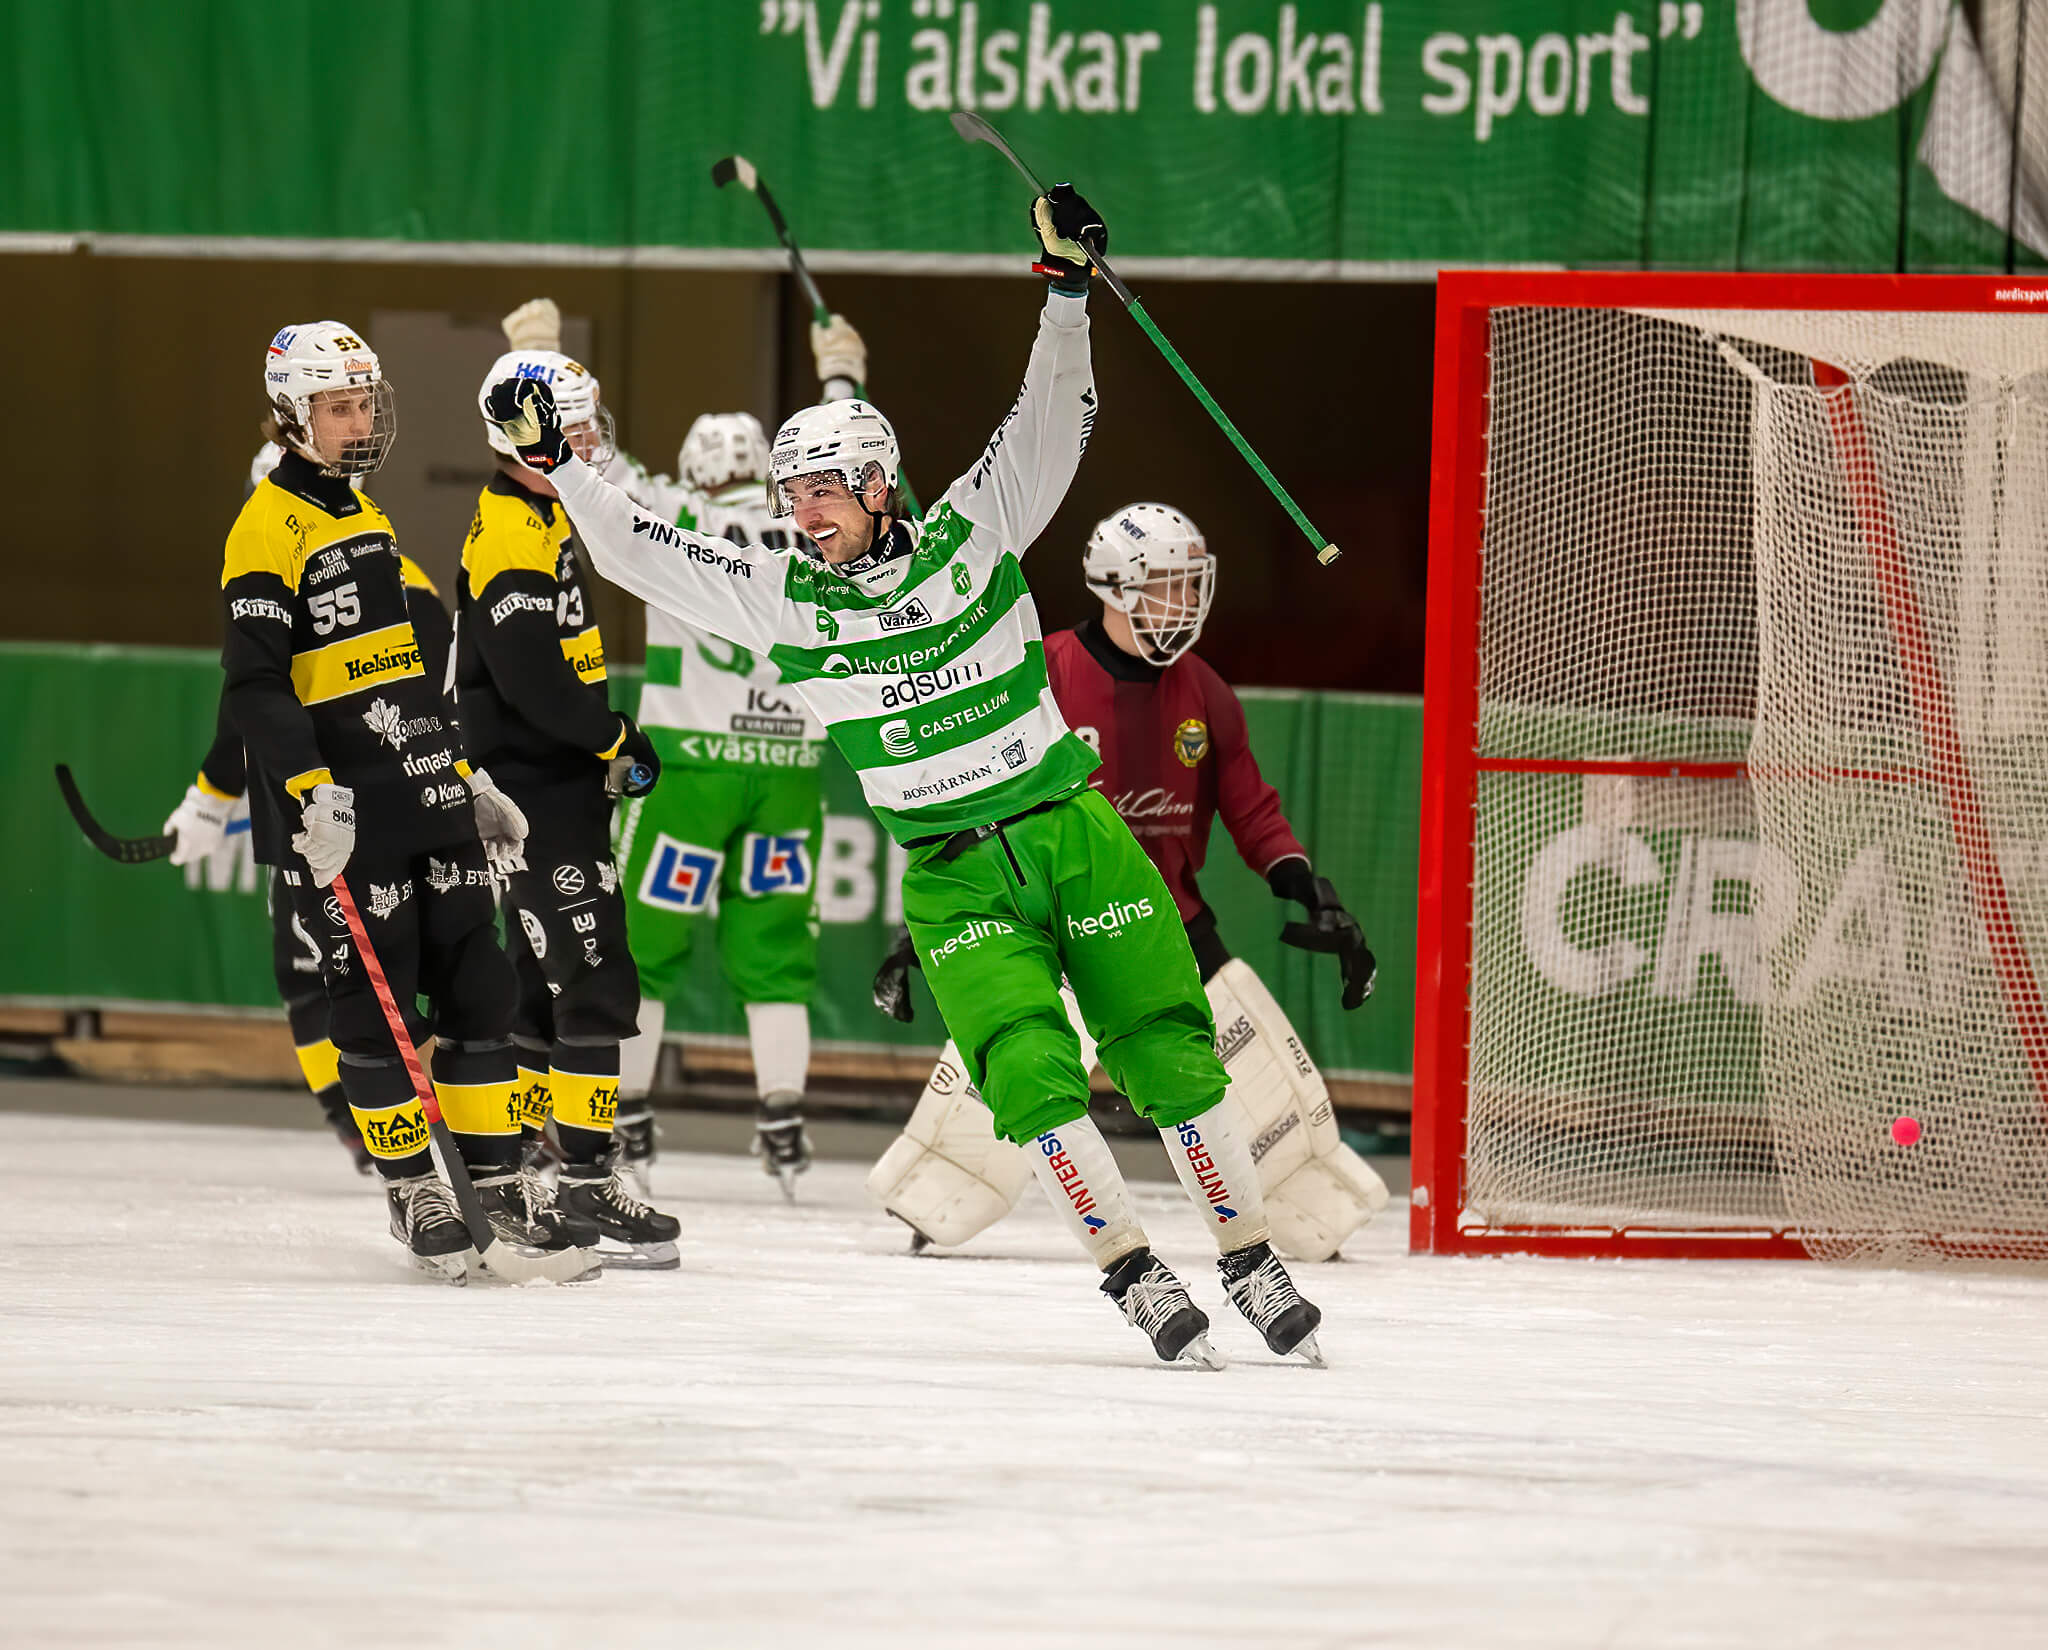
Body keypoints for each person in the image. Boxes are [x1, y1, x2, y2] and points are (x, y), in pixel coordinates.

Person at [486, 188, 1326, 1367]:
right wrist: (558, 472)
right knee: (1033, 1079)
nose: (801, 515)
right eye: (791, 497)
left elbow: (1047, 423)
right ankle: (1131, 1271)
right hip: (950, 874)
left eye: (822, 492)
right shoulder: (780, 594)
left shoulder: (971, 533)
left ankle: (1247, 1256)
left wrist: (1067, 293)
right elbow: (640, 548)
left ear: (880, 484)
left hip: (1070, 825)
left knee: (1168, 1050)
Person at [865, 504, 1387, 1263]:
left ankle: (1280, 1223)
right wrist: (925, 937)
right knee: (985, 1120)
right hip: (1049, 925)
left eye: (1191, 586)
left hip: (1170, 928)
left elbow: (1252, 811)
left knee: (1301, 1154)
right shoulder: (1035, 671)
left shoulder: (1203, 691)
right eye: (1169, 587)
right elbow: (967, 801)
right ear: (1114, 587)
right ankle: (939, 1194)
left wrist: (1312, 890)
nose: (1187, 605)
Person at [222, 319, 589, 1282]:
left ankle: (497, 1179)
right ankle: (412, 1189)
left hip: (428, 793)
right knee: (372, 1011)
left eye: (365, 402)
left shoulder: (369, 518)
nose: (359, 420)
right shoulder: (266, 526)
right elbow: (255, 687)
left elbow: (410, 676)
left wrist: (466, 780)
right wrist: (309, 793)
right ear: (294, 413)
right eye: (340, 406)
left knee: (482, 986)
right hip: (348, 813)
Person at [606, 314, 871, 1198]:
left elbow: (593, 461)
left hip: (688, 767)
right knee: (774, 951)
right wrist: (841, 378)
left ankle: (630, 1119)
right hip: (791, 769)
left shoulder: (671, 512)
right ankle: (783, 1123)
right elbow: (854, 461)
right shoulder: (812, 526)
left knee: (644, 949)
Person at [166, 442, 458, 1176]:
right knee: (365, 972)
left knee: (356, 971)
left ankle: (412, 1130)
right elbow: (257, 698)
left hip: (365, 800)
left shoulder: (374, 576)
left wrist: (214, 793)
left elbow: (259, 696)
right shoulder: (388, 565)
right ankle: (385, 1132)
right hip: (376, 795)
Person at [453, 344, 682, 1268]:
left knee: (546, 984)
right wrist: (614, 736)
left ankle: (548, 1168)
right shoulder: (511, 530)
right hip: (539, 783)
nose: (593, 439)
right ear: (527, 435)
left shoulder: (537, 517)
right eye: (576, 423)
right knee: (592, 981)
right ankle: (588, 1187)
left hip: (545, 780)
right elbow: (529, 681)